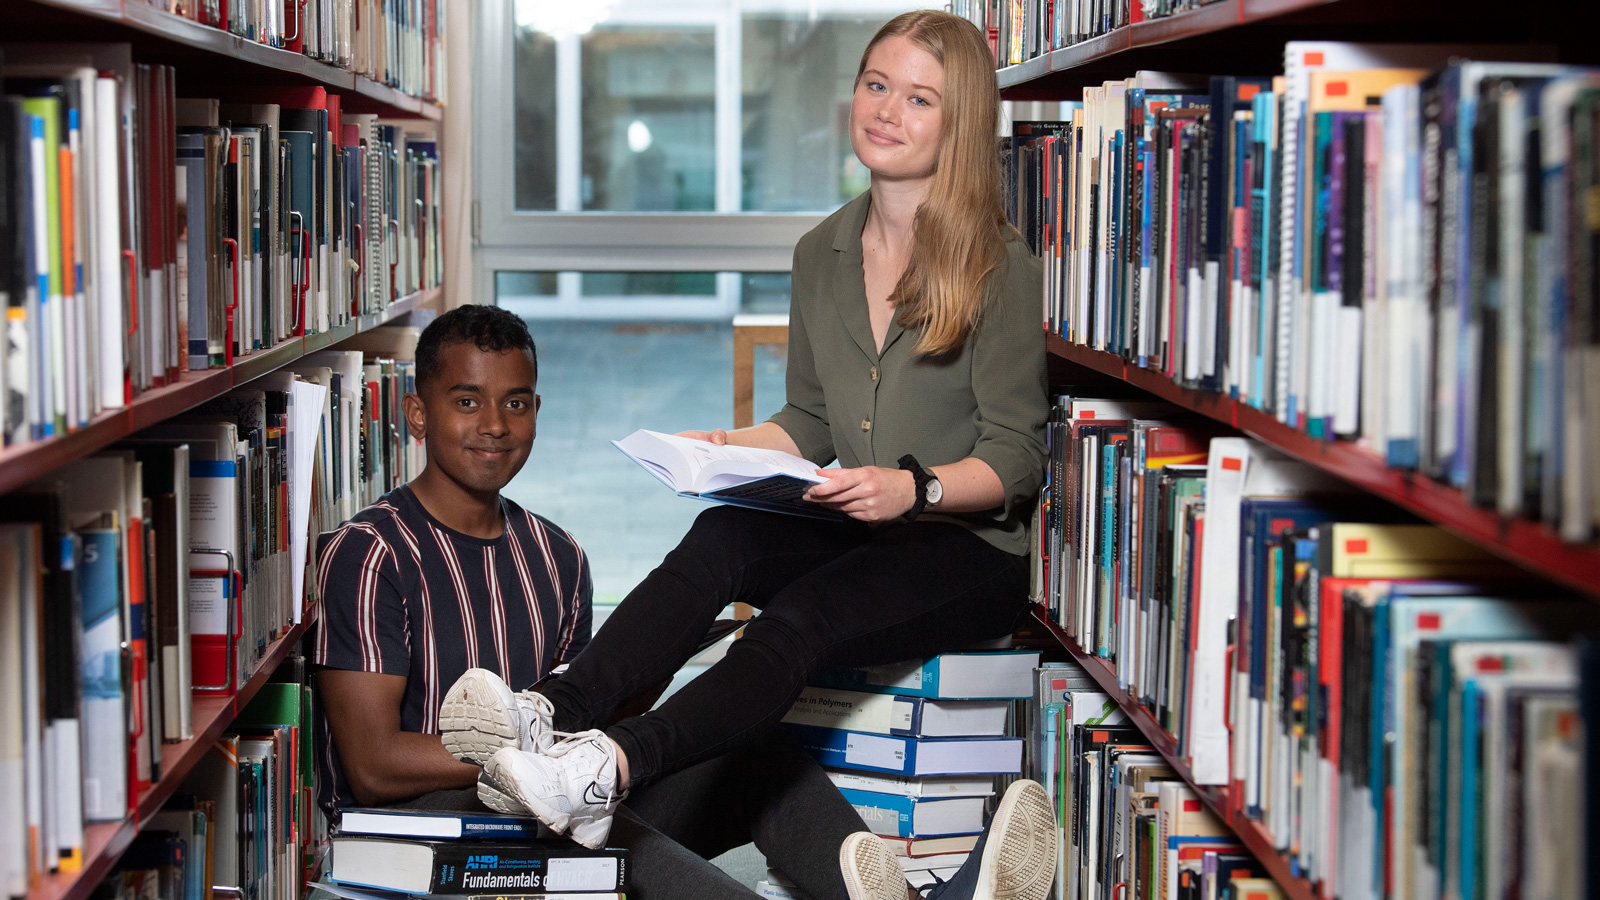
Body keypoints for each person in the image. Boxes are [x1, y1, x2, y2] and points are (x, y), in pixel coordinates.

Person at [442, 12, 1058, 899]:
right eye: (876, 84)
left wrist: (913, 489)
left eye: (918, 99)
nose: (885, 111)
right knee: (725, 532)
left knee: (797, 620)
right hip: (864, 522)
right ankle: (552, 714)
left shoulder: (1000, 265)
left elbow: (1016, 459)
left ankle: (608, 768)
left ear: (957, 125)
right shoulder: (822, 253)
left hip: (967, 551)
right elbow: (809, 418)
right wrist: (725, 446)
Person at [312, 304, 874, 900]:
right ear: (418, 415)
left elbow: (588, 713)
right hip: (434, 832)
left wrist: (659, 652)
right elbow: (373, 767)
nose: (496, 425)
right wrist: (545, 762)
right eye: (468, 401)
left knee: (756, 757)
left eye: (518, 403)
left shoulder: (557, 553)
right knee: (642, 852)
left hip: (554, 807)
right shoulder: (370, 553)